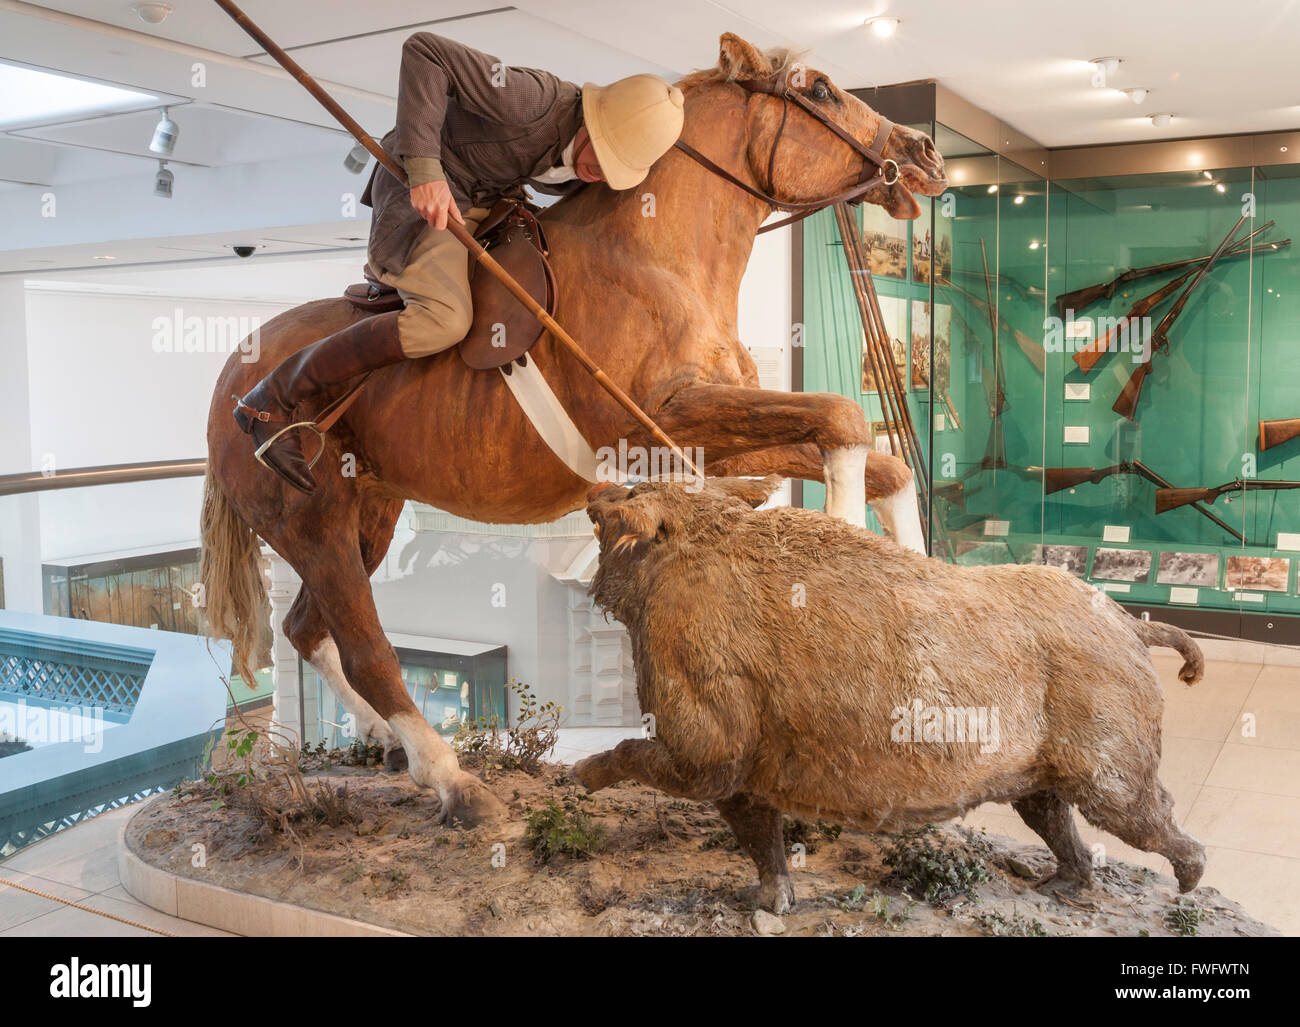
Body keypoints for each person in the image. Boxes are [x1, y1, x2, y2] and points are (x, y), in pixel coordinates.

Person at [233, 32, 685, 494]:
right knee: (443, 322)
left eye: (618, 170)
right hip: (421, 192)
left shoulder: (594, 158)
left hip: (490, 201)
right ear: (592, 120)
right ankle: (271, 398)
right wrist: (426, 172)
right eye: (605, 157)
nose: (605, 174)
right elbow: (425, 52)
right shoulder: (532, 100)